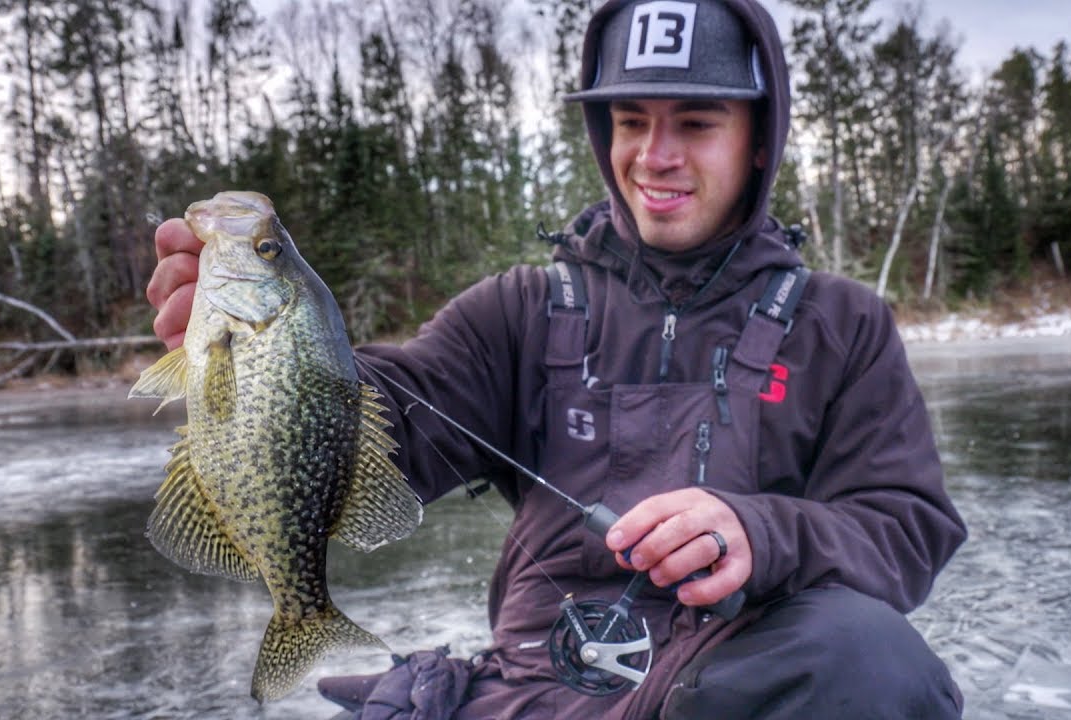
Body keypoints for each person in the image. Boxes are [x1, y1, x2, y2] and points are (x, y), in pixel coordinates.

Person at [146, 0, 967, 717]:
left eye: (696, 121)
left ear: (759, 138)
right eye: (633, 119)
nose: (656, 155)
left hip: (734, 679)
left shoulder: (842, 324)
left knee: (873, 661)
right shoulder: (521, 309)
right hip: (535, 689)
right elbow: (396, 419)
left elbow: (905, 528)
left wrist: (761, 531)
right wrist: (275, 371)